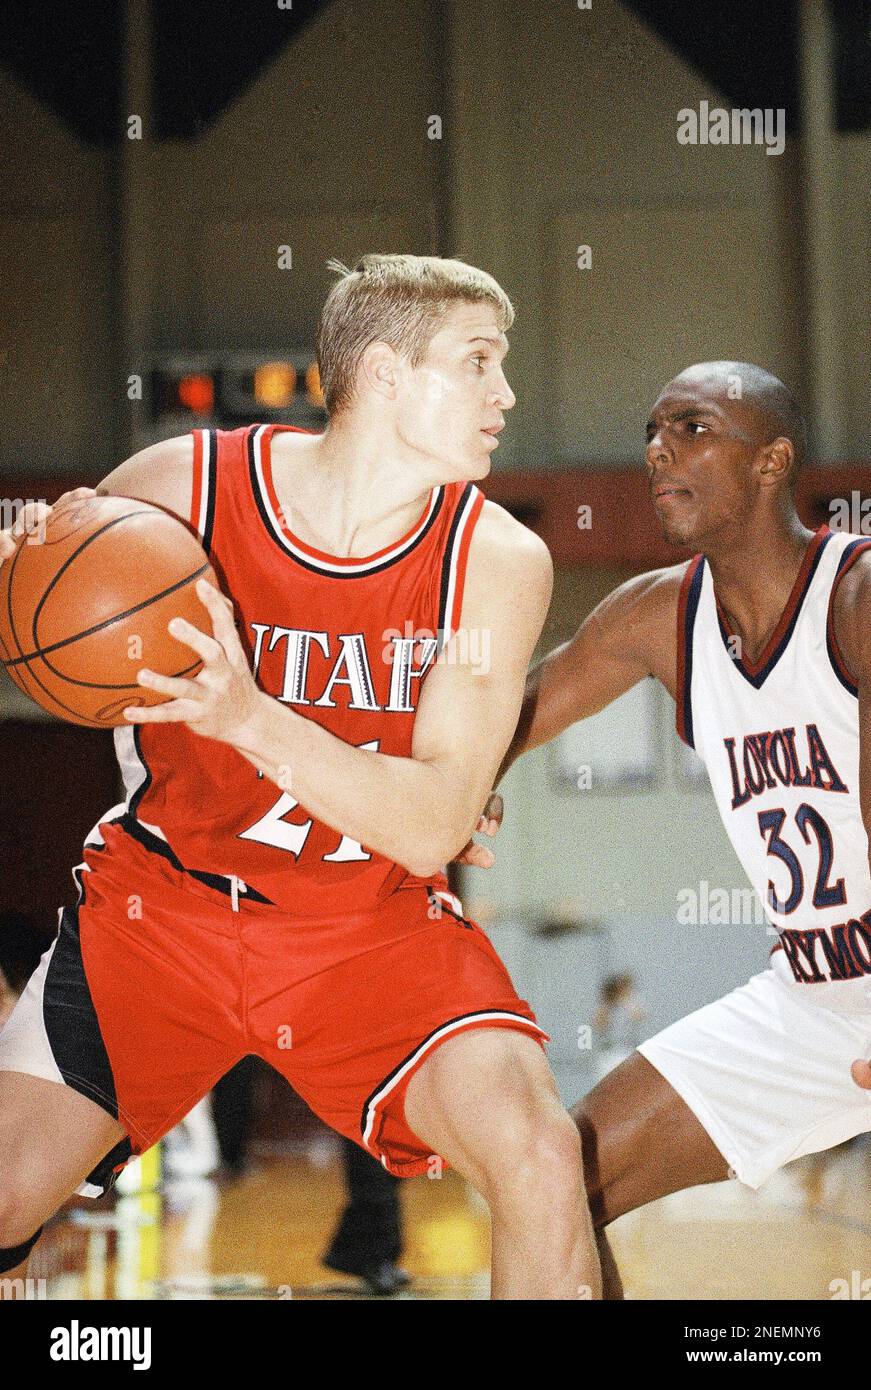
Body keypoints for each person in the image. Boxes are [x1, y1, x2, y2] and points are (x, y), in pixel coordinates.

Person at [0, 254, 598, 1300]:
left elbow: (430, 826)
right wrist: (19, 563)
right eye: (479, 362)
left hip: (364, 933)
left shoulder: (495, 560)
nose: (506, 395)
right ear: (384, 371)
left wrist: (249, 716)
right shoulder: (179, 490)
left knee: (542, 1153)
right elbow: (49, 602)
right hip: (157, 919)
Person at [497, 360, 871, 1298]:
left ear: (771, 461)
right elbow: (507, 714)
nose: (660, 451)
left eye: (694, 429)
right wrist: (443, 795)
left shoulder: (856, 599)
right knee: (552, 1179)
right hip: (812, 994)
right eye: (652, 432)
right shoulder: (658, 615)